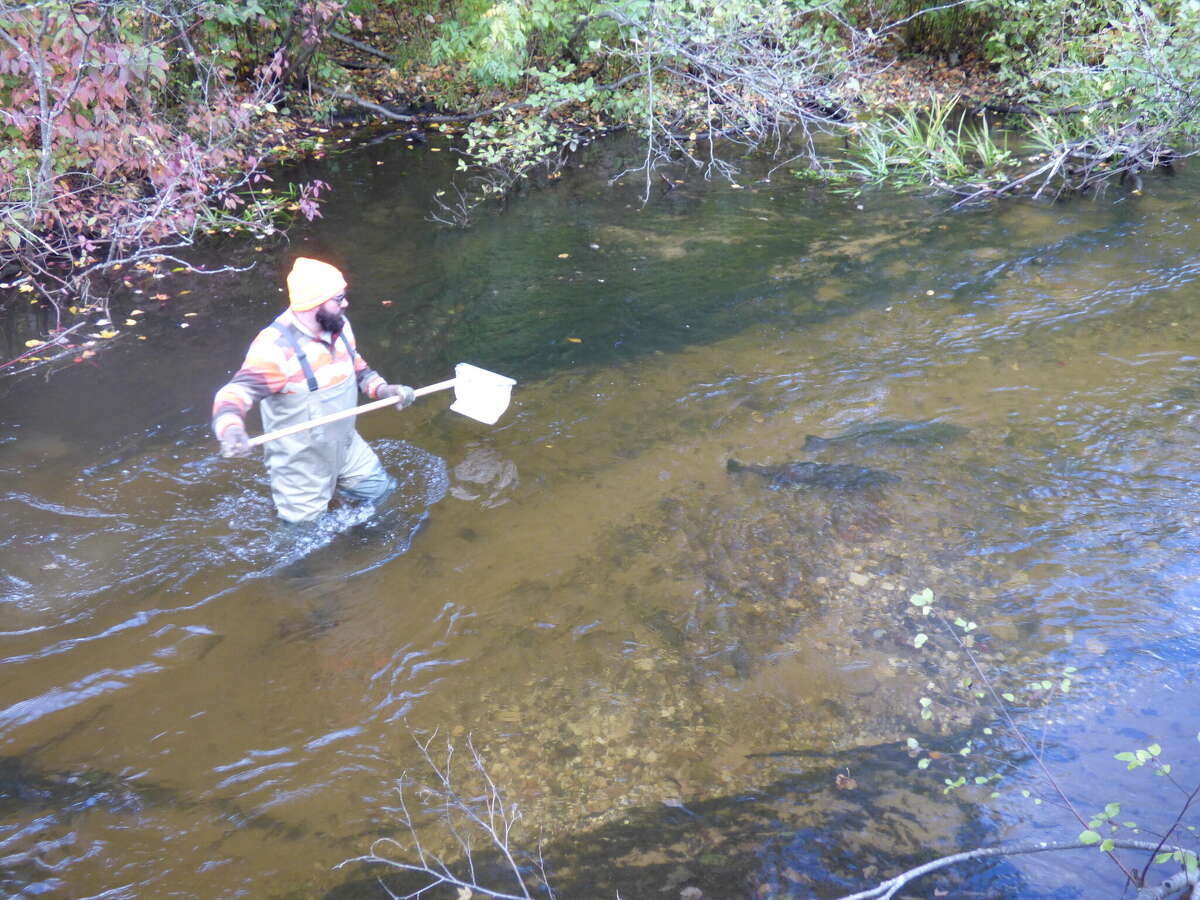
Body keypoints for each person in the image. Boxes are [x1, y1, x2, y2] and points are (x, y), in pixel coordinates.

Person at [212, 257, 415, 523]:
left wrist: (386, 390)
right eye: (338, 299)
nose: (345, 304)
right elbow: (234, 393)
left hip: (346, 445)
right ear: (313, 304)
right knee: (303, 541)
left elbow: (359, 371)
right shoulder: (275, 348)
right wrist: (232, 430)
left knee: (381, 493)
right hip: (301, 465)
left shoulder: (339, 326)